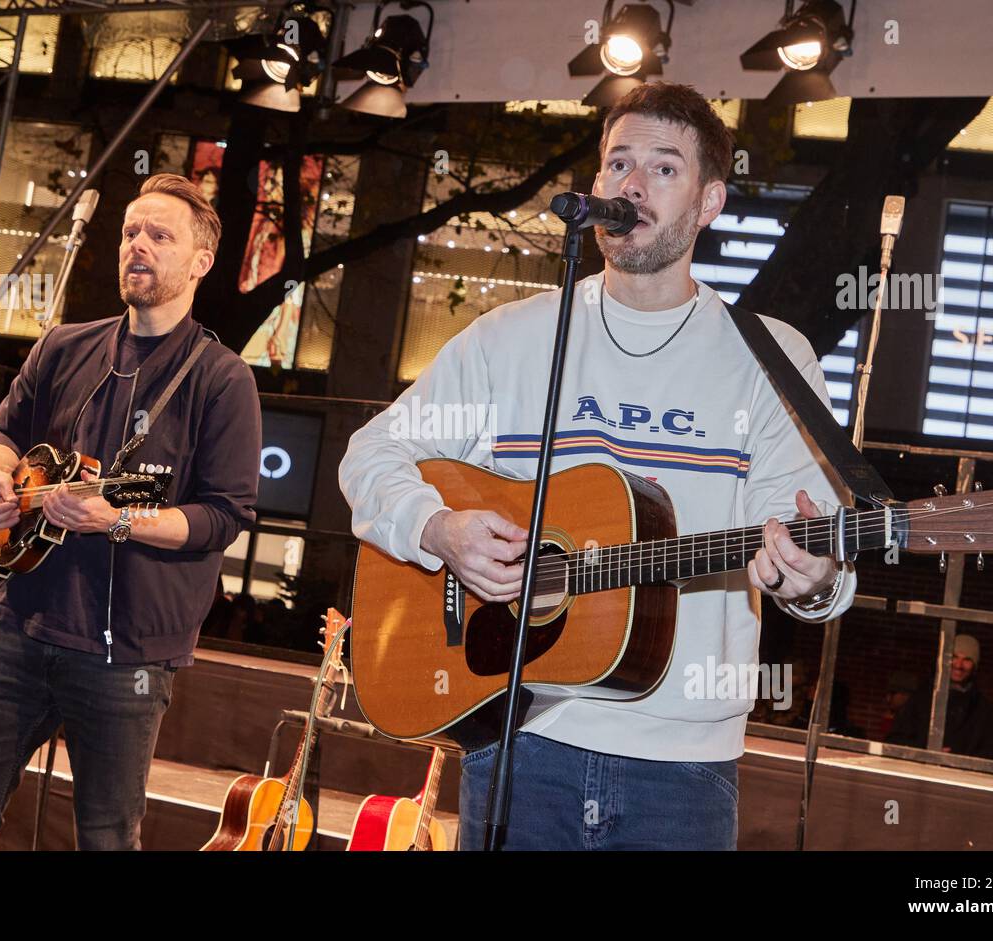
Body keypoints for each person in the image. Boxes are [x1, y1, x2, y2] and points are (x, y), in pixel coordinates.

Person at [339, 82, 858, 851]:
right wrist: (437, 528)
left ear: (710, 200)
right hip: (518, 737)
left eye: (662, 168)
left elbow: (816, 552)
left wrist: (815, 579)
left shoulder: (770, 360)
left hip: (682, 769)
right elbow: (370, 452)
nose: (631, 184)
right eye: (617, 163)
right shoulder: (511, 339)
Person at [0, 173, 262, 850]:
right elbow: (0, 436)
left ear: (200, 261)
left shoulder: (222, 378)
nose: (138, 244)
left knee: (106, 838)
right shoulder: (63, 346)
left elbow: (224, 515)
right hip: (20, 622)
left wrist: (119, 520)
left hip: (127, 653)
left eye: (159, 235)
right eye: (131, 231)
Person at [886, 634, 993, 759]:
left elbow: (992, 753)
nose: (959, 665)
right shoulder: (922, 697)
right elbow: (894, 741)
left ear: (974, 666)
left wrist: (958, 759)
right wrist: (926, 751)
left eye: (967, 660)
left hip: (957, 776)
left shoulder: (981, 707)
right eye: (954, 657)